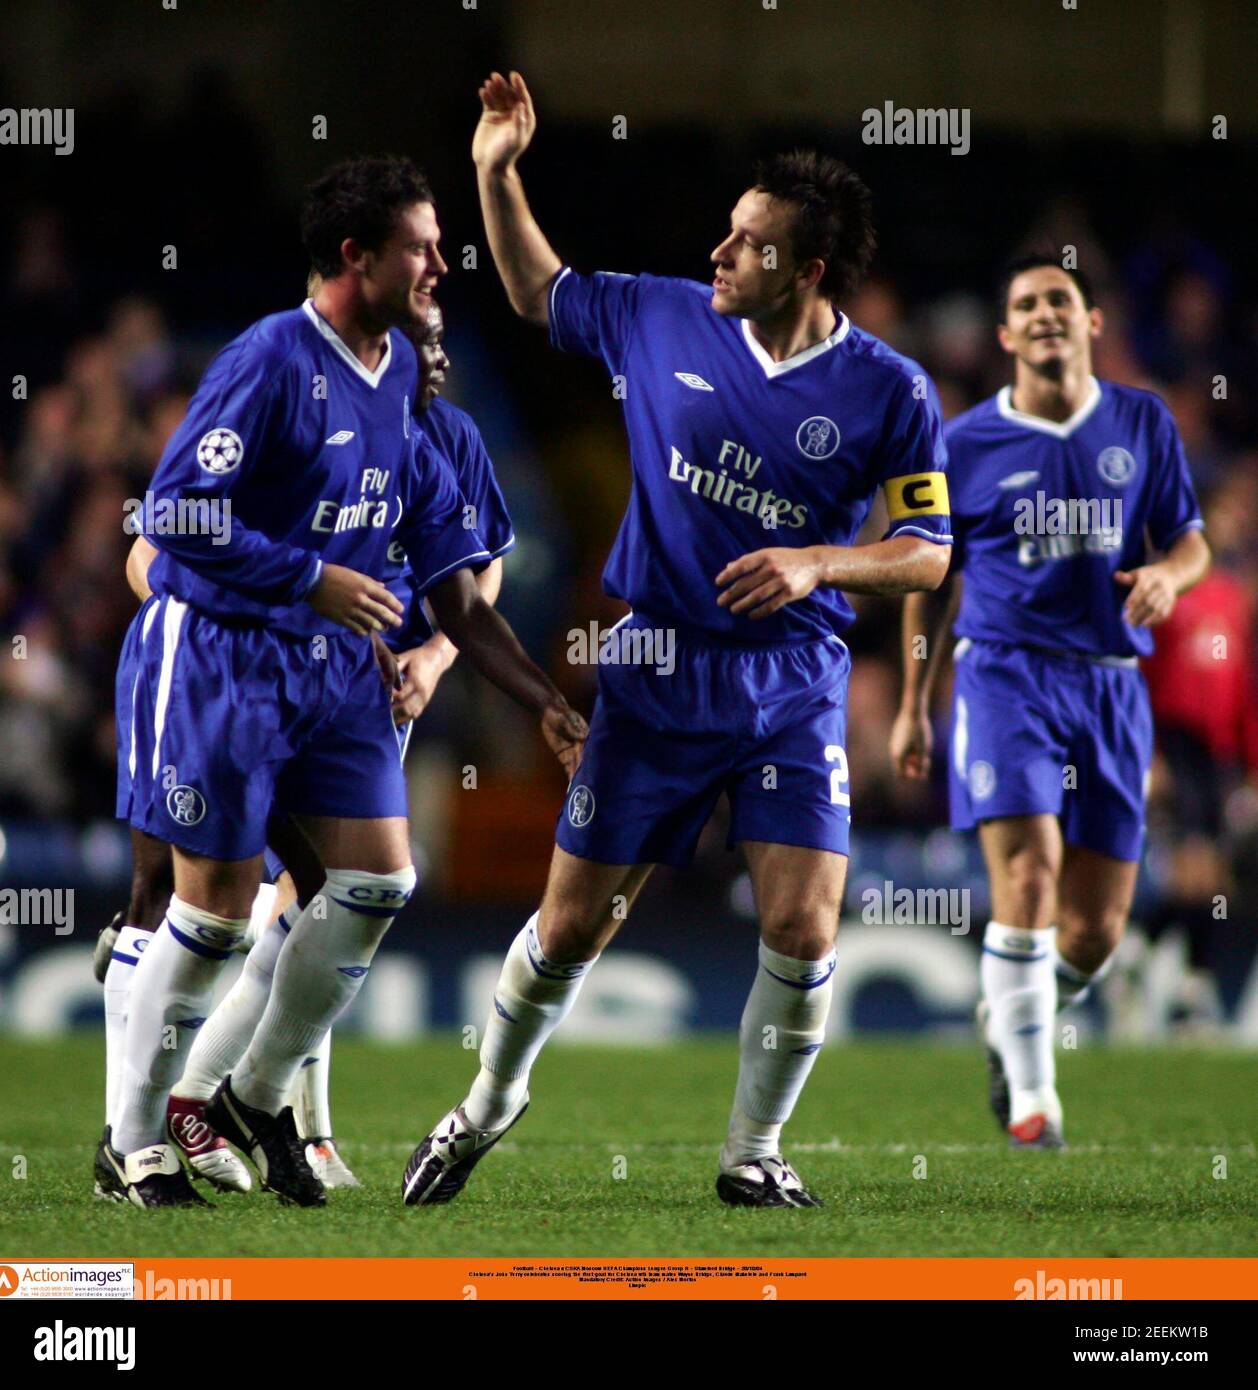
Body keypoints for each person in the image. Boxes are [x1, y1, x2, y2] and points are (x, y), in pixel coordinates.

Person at [400, 73, 951, 1211]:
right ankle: (485, 1105)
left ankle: (753, 1150)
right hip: (655, 665)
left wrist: (817, 562)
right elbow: (535, 288)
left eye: (746, 244)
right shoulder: (657, 315)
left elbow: (928, 550)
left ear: (802, 270)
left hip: (790, 679)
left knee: (800, 924)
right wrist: (496, 170)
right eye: (726, 230)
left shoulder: (887, 390)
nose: (719, 250)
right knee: (565, 933)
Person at [104, 153, 586, 1209]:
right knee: (215, 915)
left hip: (332, 675)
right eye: (420, 246)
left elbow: (461, 597)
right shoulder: (270, 357)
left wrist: (547, 701)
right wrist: (308, 577)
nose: (439, 265)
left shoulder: (400, 390)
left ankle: (252, 1093)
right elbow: (176, 513)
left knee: (376, 879)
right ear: (356, 256)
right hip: (224, 656)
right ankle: (133, 1140)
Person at [165, 298, 516, 1191]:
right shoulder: (298, 396)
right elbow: (170, 528)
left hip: (366, 693)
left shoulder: (452, 437)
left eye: (440, 344)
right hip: (249, 668)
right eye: (416, 340)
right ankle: (187, 1110)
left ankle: (262, 1116)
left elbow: (484, 565)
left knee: (320, 899)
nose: (429, 357)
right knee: (239, 901)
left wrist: (436, 659)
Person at [891, 255, 1210, 1147]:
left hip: (1110, 682)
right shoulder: (960, 443)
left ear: (1091, 323)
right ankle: (1035, 1099)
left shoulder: (1142, 422)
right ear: (1004, 335)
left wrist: (1168, 578)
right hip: (1004, 673)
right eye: (1025, 304)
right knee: (1025, 875)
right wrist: (916, 701)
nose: (1043, 315)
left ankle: (1011, 1013)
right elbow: (928, 575)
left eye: (1059, 302)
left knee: (1098, 931)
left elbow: (1190, 540)